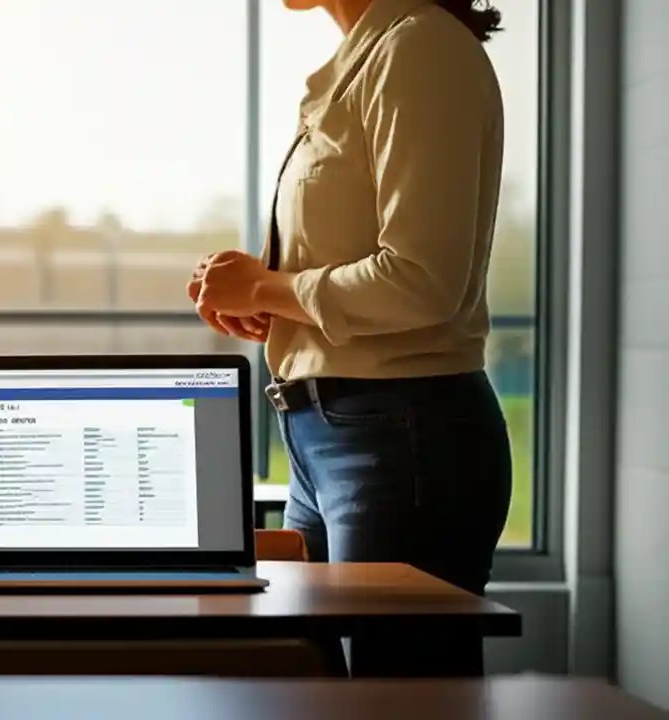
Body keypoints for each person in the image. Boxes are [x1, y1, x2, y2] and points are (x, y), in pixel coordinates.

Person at [187, 0, 509, 676]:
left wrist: (267, 290)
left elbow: (421, 281)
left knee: (403, 697)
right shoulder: (374, 54)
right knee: (306, 682)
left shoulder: (419, 48)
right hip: (328, 435)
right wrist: (267, 296)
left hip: (401, 436)